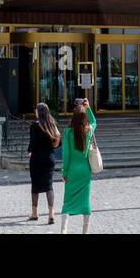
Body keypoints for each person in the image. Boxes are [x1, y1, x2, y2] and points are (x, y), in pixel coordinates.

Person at [59, 97, 96, 234]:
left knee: (67, 202)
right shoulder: (89, 130)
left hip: (72, 171)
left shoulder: (68, 132)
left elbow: (66, 155)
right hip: (85, 170)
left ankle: (64, 230)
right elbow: (93, 122)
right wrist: (88, 108)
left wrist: (64, 173)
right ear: (84, 117)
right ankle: (85, 231)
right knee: (85, 202)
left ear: (73, 116)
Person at [27, 102, 61, 223]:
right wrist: (52, 145)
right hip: (49, 158)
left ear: (39, 112)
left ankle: (35, 214)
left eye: (36, 109)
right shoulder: (51, 124)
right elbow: (58, 138)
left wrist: (29, 151)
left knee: (35, 187)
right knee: (49, 187)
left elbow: (33, 143)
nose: (34, 111)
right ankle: (51, 215)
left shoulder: (34, 126)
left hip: (37, 159)